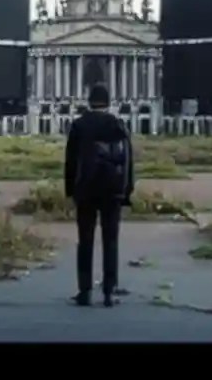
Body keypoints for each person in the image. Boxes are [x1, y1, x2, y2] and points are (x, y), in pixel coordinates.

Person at [64, 83, 134, 307]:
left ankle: (84, 291)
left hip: (85, 190)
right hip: (112, 191)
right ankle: (109, 292)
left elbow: (71, 162)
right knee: (110, 241)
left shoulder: (79, 125)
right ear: (109, 102)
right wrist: (127, 191)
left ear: (89, 101)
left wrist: (70, 190)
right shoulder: (118, 124)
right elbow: (128, 161)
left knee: (85, 241)